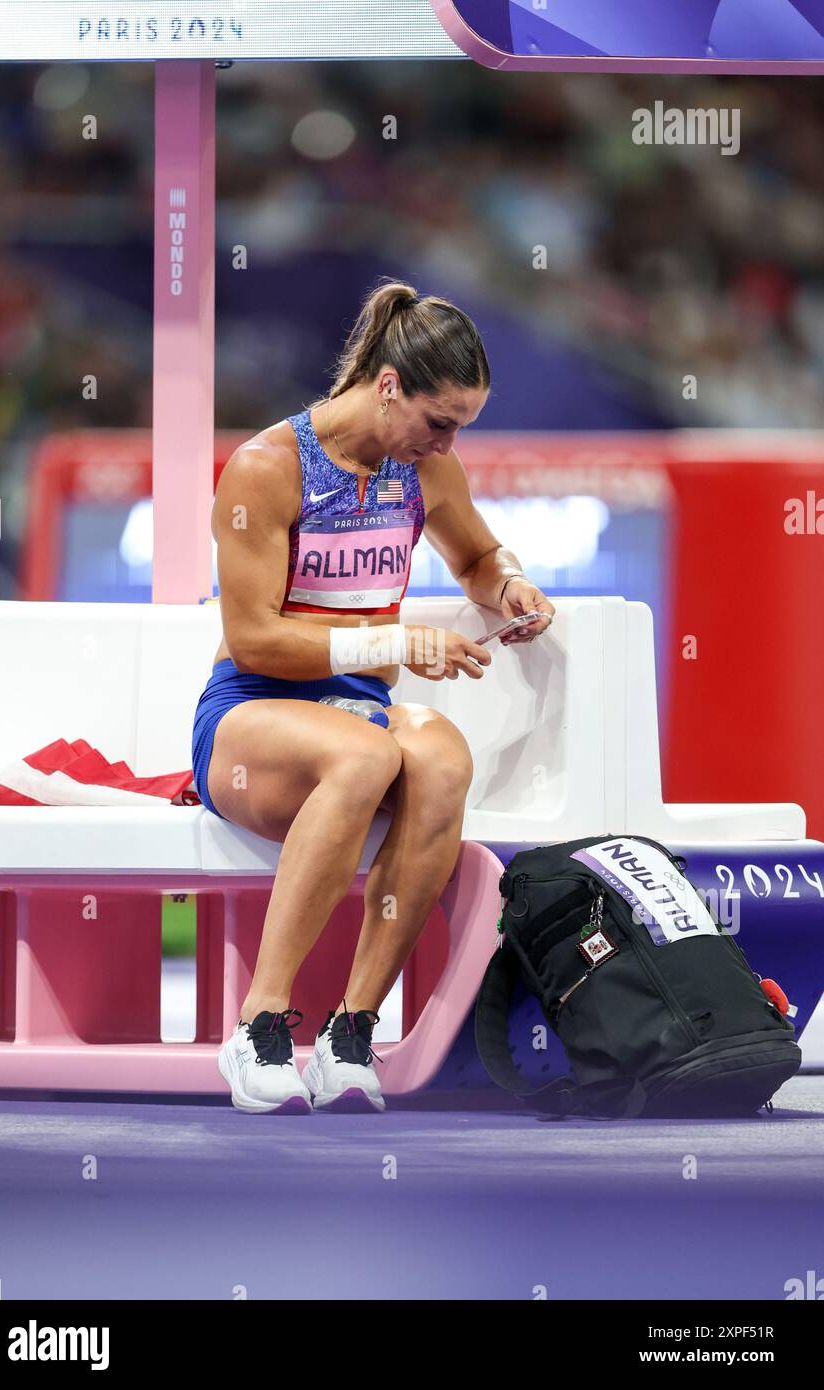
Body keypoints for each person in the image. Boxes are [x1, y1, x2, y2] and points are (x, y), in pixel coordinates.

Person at [191, 278, 555, 1114]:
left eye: (462, 426)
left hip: (358, 714)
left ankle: (352, 1033)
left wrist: (512, 587)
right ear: (389, 386)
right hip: (252, 720)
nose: (447, 443)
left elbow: (477, 558)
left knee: (440, 757)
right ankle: (258, 1026)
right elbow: (254, 639)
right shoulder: (266, 468)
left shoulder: (423, 468)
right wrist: (393, 643)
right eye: (440, 422)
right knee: (365, 752)